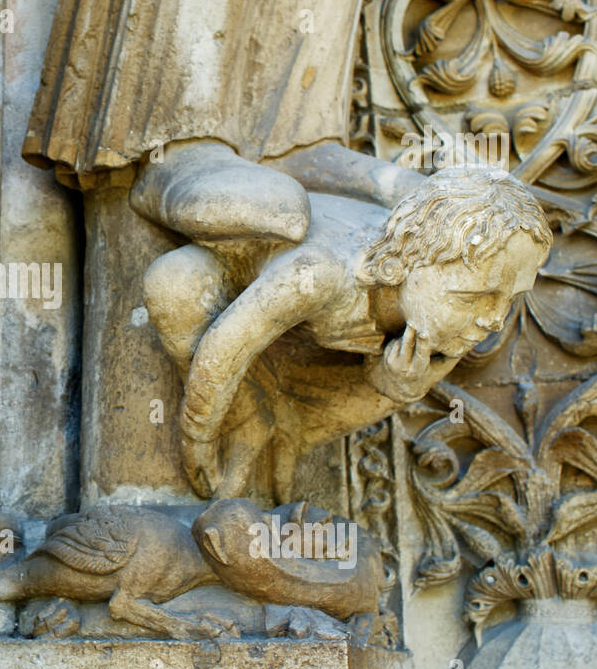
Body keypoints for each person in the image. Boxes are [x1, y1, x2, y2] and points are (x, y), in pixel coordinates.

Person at [138, 152, 553, 500]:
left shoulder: (453, 308)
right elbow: (225, 347)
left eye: (510, 298)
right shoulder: (320, 275)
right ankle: (252, 413)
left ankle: (288, 424)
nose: (495, 319)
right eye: (476, 296)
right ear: (404, 265)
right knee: (174, 282)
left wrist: (396, 381)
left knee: (404, 374)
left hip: (309, 328)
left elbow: (391, 385)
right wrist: (199, 436)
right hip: (237, 236)